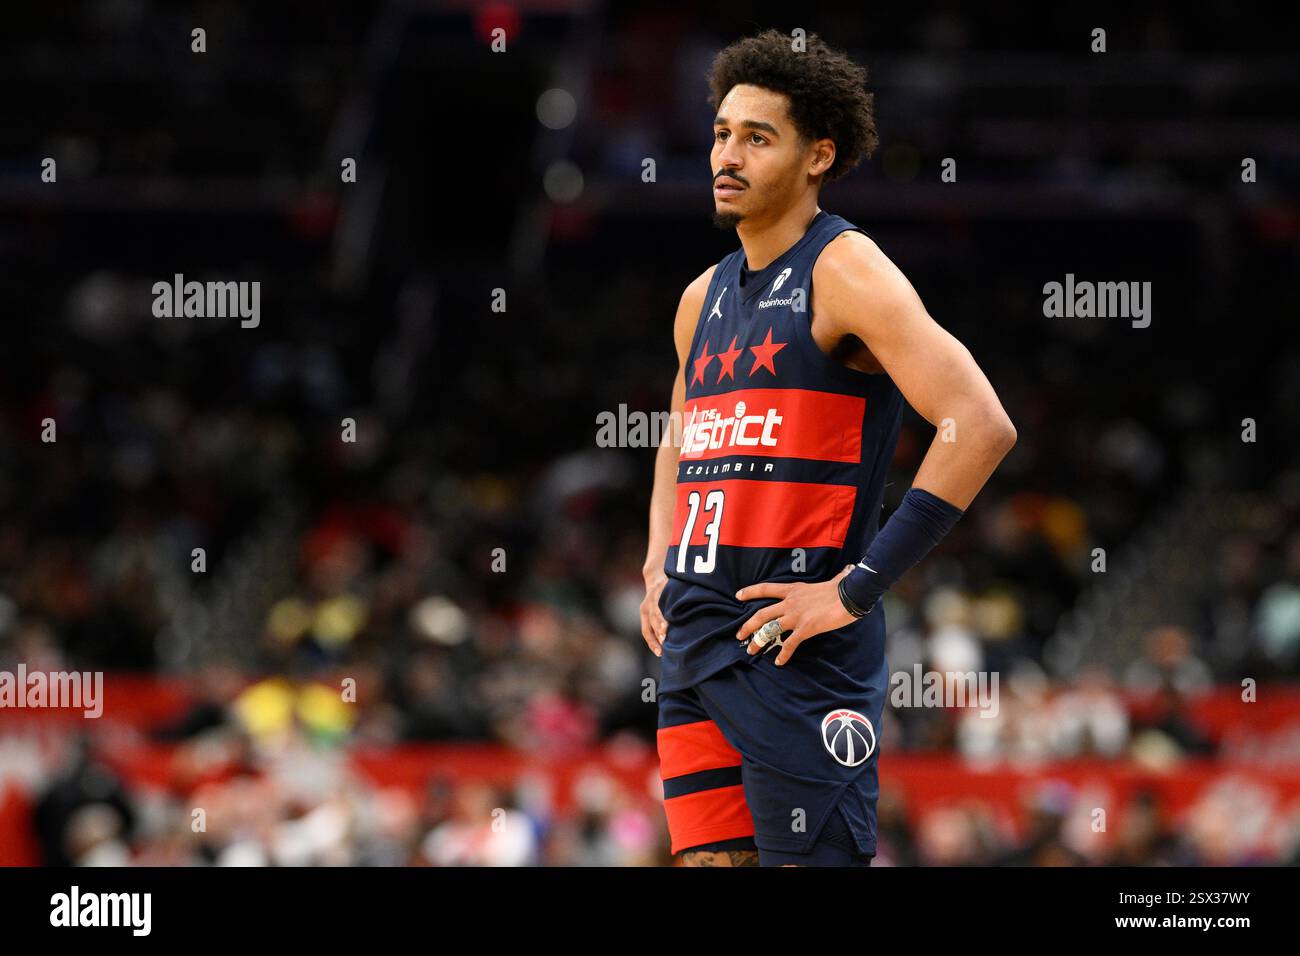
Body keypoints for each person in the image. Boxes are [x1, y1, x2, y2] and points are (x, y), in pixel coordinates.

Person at [639, 29, 1017, 866]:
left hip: (798, 650)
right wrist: (658, 558)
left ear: (818, 157)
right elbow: (680, 434)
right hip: (696, 641)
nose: (726, 155)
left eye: (757, 138)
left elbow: (979, 424)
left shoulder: (845, 269)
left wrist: (856, 591)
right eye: (721, 133)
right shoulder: (698, 297)